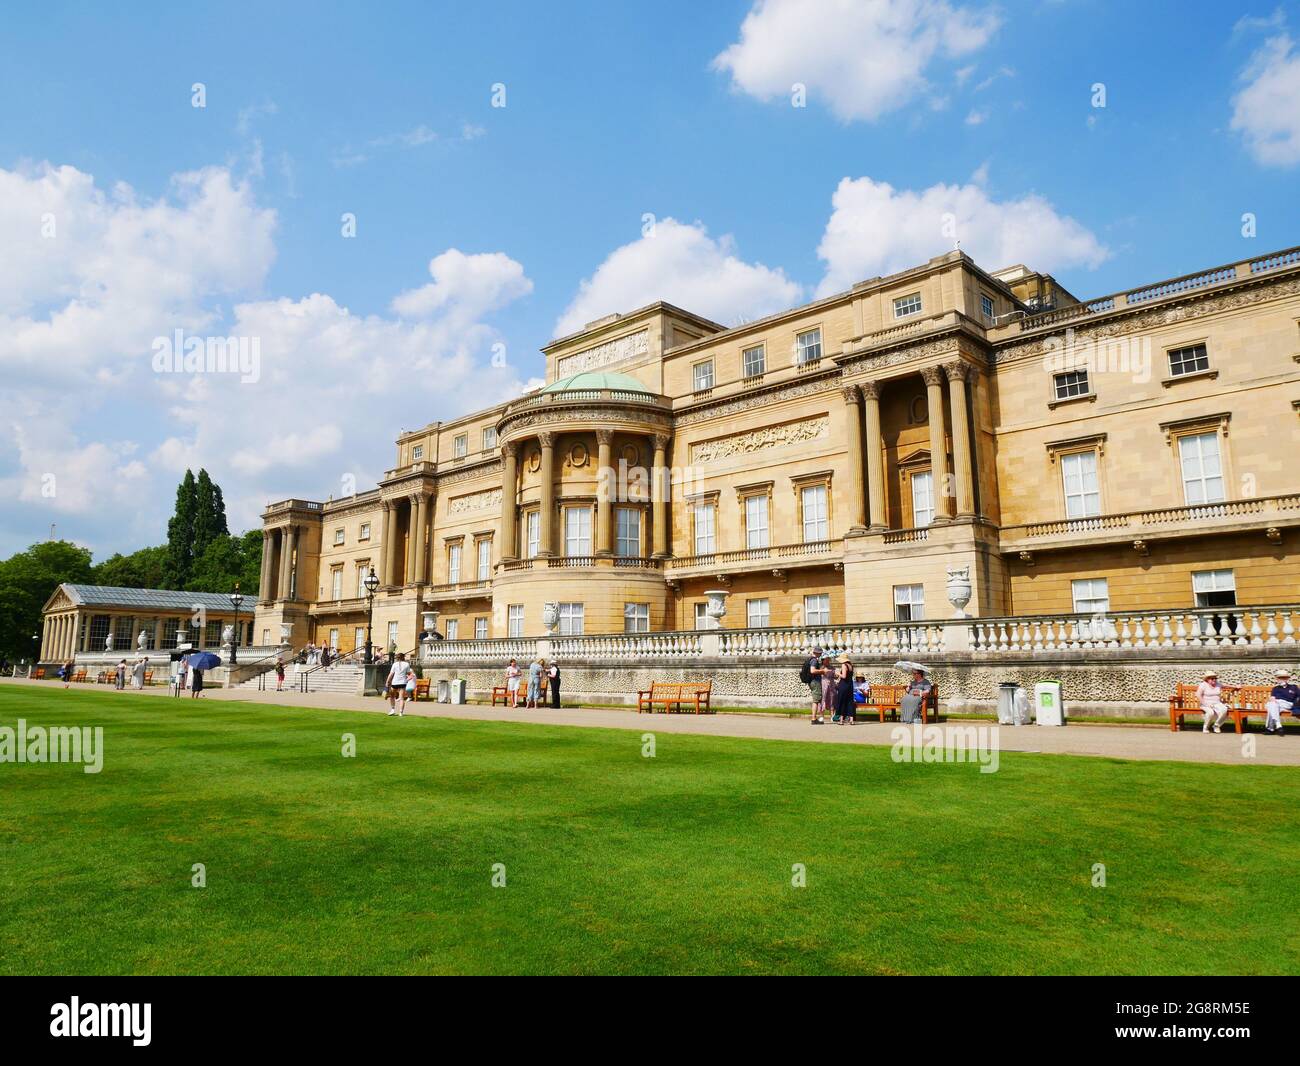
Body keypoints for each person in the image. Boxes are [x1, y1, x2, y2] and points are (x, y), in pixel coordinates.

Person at [1266, 668, 1299, 736]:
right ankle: (1278, 726)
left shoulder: (1294, 687)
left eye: (1284, 678)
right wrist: (1272, 699)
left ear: (1287, 679)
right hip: (1277, 704)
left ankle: (1271, 729)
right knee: (1272, 705)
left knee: (1270, 706)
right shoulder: (1275, 688)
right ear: (1277, 679)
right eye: (1280, 678)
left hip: (1288, 704)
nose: (1282, 679)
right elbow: (1273, 698)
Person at [802, 646, 826, 725]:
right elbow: (812, 671)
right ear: (817, 653)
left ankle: (814, 718)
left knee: (816, 700)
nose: (820, 654)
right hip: (815, 681)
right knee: (816, 701)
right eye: (820, 653)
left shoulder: (810, 659)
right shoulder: (814, 661)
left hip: (812, 681)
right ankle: (814, 718)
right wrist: (822, 671)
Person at [834, 658, 856, 725]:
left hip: (844, 684)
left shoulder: (844, 665)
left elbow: (844, 676)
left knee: (842, 701)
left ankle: (841, 720)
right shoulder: (850, 665)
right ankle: (851, 720)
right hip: (850, 685)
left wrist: (838, 673)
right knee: (849, 702)